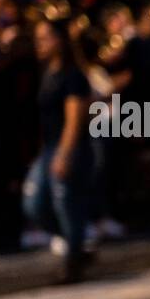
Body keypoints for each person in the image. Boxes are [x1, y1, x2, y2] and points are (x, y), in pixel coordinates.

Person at [23, 18, 94, 283]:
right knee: (34, 204)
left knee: (66, 204)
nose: (38, 44)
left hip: (69, 147)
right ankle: (77, 244)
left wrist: (64, 154)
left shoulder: (73, 76)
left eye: (44, 38)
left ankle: (73, 261)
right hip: (49, 148)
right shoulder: (46, 74)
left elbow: (74, 121)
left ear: (60, 41)